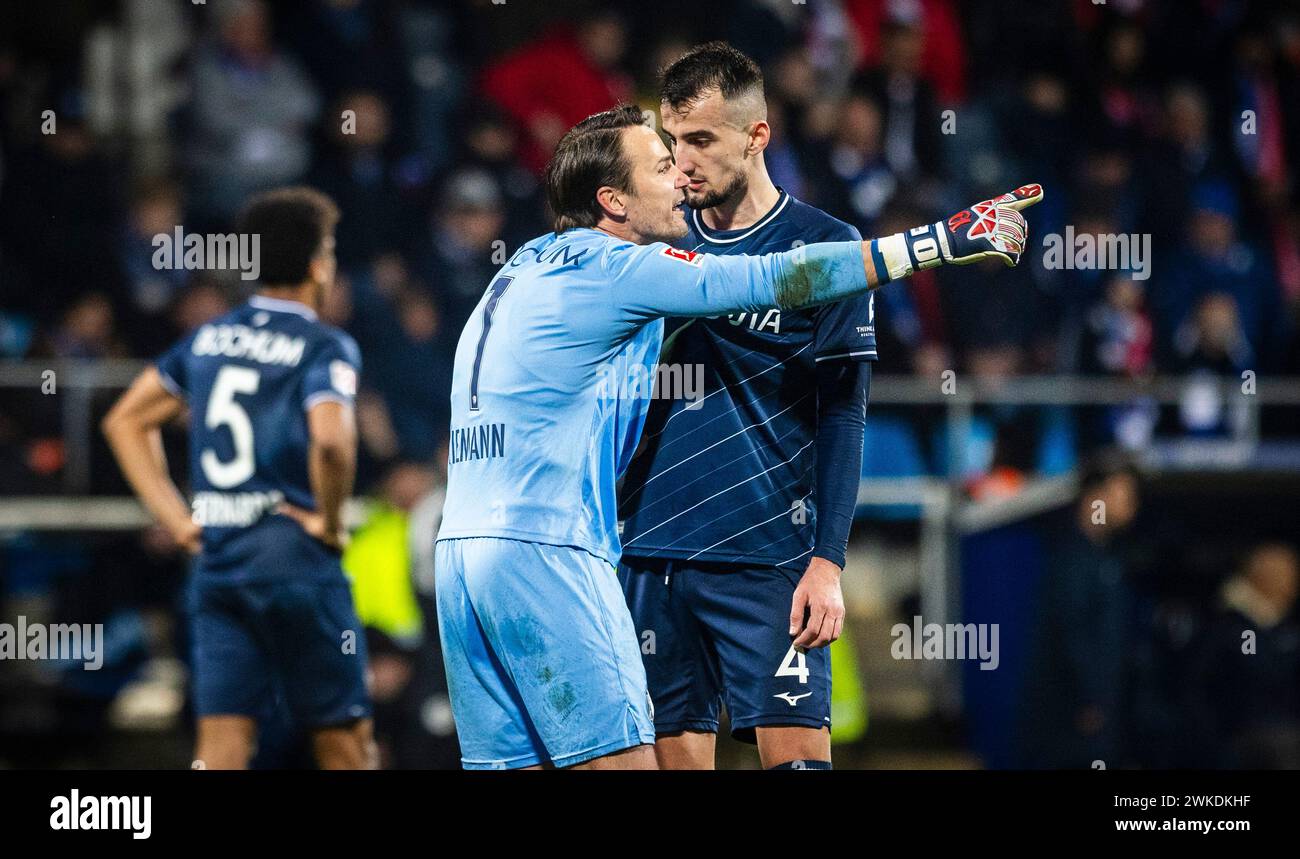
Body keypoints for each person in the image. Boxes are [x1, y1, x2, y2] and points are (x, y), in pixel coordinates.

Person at [434, 101, 1042, 770]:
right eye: (662, 166)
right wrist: (934, 243)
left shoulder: (525, 263)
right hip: (547, 547)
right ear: (613, 200)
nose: (681, 177)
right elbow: (773, 276)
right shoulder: (619, 269)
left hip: (461, 558)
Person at [615, 43, 872, 770]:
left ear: (757, 136)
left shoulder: (825, 247)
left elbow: (844, 415)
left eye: (700, 140)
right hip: (649, 550)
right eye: (672, 143)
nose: (682, 161)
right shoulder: (654, 243)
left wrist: (827, 560)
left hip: (767, 558)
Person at [102, 188, 375, 769]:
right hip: (296, 564)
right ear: (318, 263)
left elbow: (124, 420)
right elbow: (331, 440)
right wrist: (329, 522)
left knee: (221, 750)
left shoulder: (206, 339)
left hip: (219, 566)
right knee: (344, 742)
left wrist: (177, 520)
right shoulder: (324, 345)